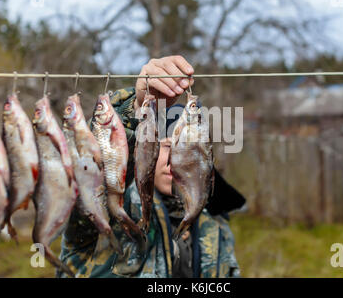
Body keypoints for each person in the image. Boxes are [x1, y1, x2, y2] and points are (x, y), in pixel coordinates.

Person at [58, 56, 245, 278]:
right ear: (144, 150)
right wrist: (135, 108)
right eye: (166, 146)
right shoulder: (117, 208)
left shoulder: (216, 220)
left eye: (187, 149)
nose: (171, 160)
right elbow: (96, 167)